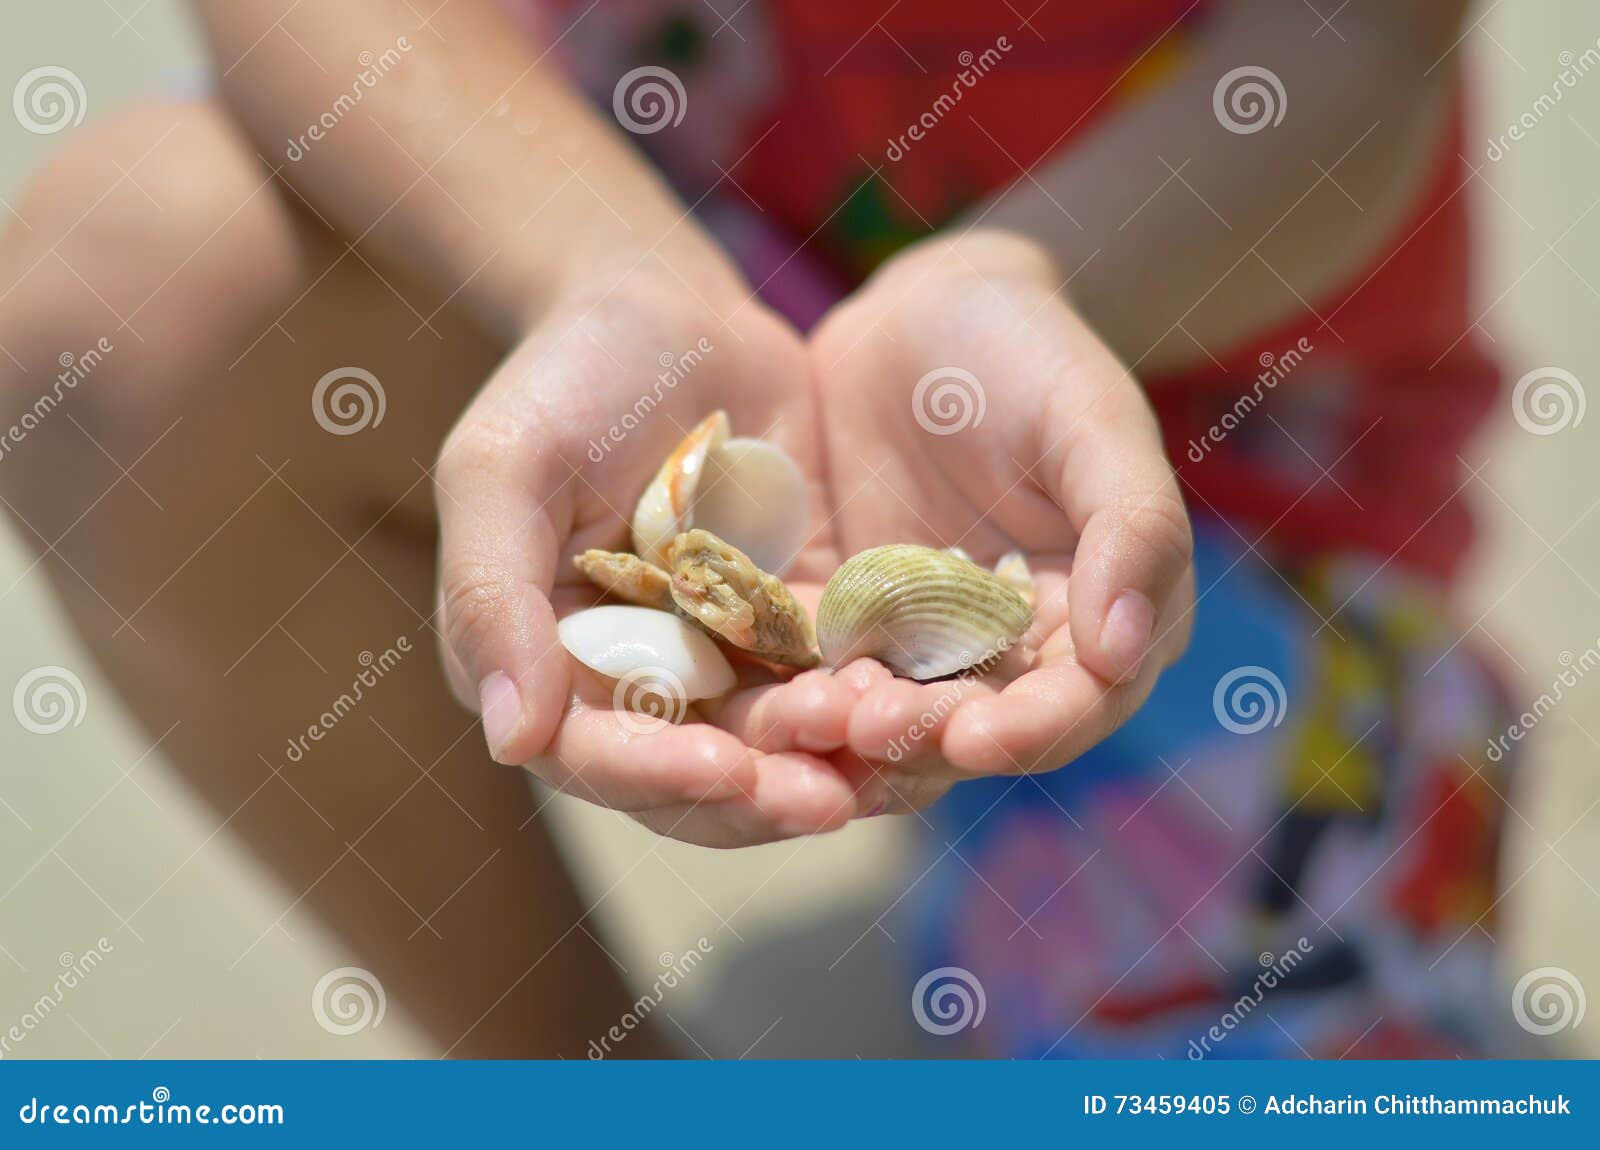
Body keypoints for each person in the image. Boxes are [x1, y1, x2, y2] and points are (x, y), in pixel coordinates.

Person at [0, 0, 1512, 1057]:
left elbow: (1365, 31)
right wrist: (596, 273)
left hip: (1230, 458)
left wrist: (1025, 280)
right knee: (126, 291)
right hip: (631, 250)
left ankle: (1393, 720)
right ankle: (592, 1090)